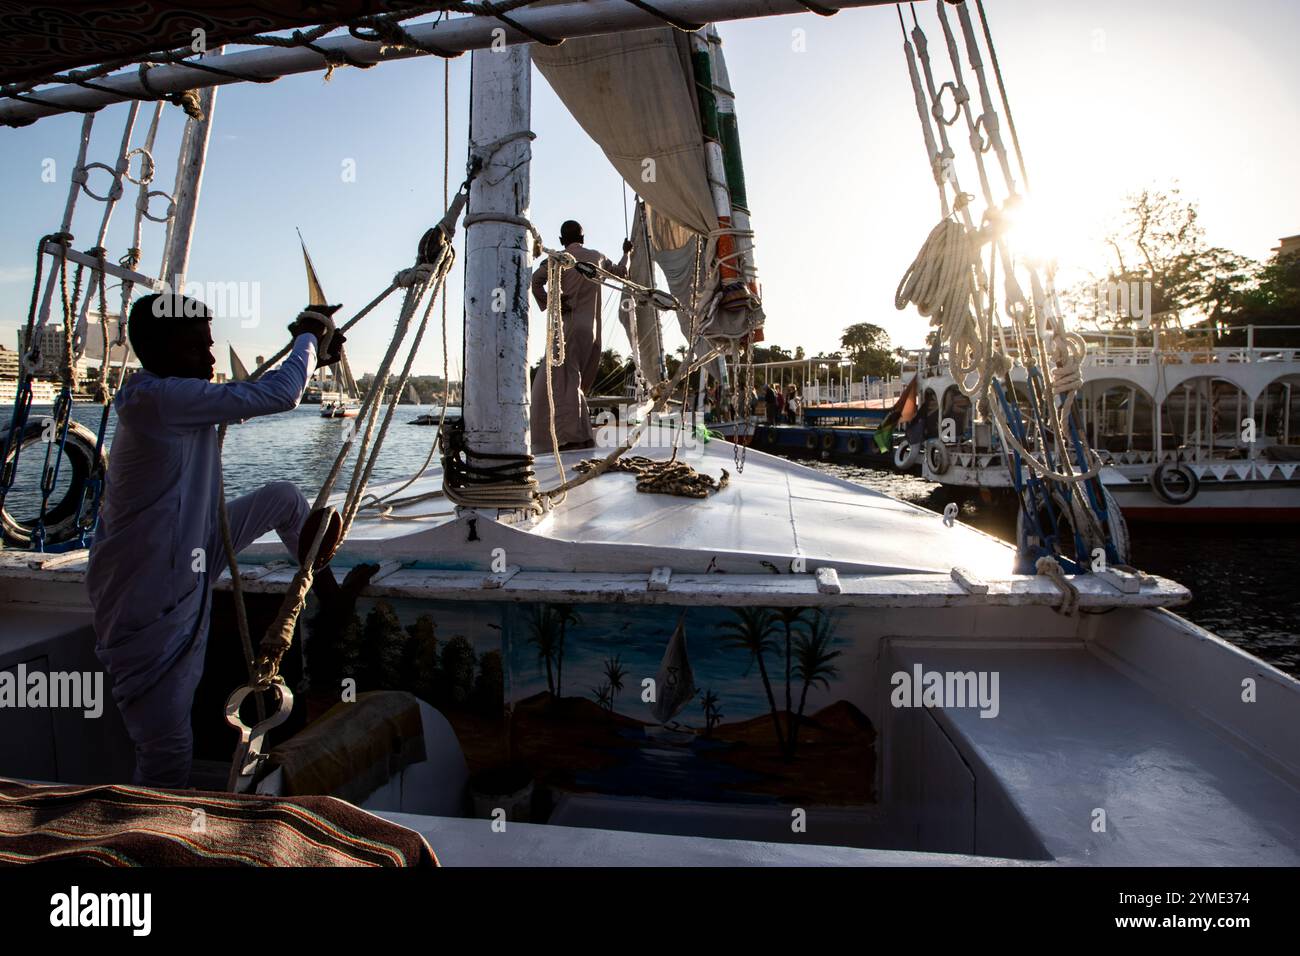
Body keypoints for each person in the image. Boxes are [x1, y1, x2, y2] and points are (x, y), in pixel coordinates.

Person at [86, 292, 346, 789]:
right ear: (161, 348)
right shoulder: (157, 400)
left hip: (186, 547)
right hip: (148, 594)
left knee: (285, 499)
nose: (211, 359)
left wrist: (311, 353)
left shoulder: (176, 398)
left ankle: (321, 594)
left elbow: (261, 393)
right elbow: (279, 395)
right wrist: (309, 335)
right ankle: (144, 835)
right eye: (198, 348)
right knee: (166, 753)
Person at [529, 220, 630, 451]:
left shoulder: (557, 259)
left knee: (552, 385)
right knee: (574, 384)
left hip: (567, 327)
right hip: (591, 332)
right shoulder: (597, 257)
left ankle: (567, 440)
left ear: (562, 241)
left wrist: (552, 302)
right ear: (583, 239)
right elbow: (623, 273)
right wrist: (627, 253)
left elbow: (535, 281)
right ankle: (582, 435)